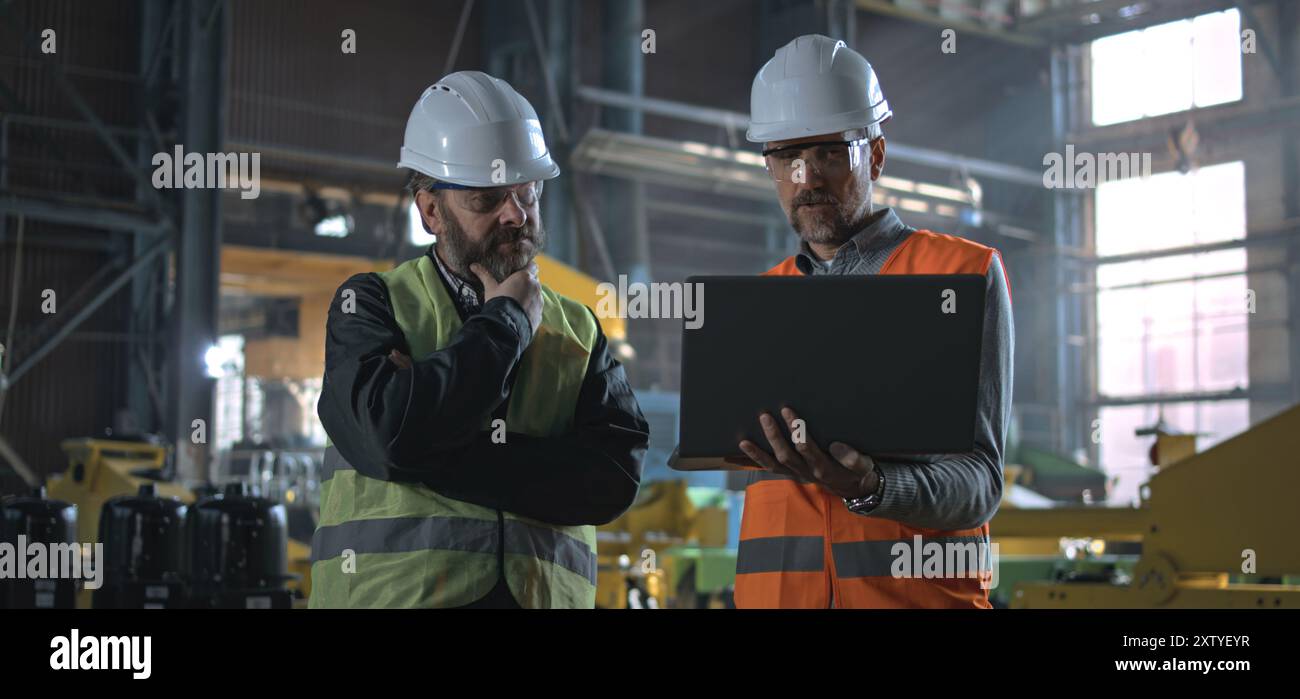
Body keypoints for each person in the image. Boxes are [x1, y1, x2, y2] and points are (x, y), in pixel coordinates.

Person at [309, 71, 648, 609]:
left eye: (528, 193)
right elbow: (385, 438)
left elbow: (611, 479)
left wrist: (429, 449)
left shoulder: (580, 327)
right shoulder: (371, 304)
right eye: (487, 198)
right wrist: (506, 323)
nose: (515, 214)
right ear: (430, 211)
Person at [733, 35, 1014, 608]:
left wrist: (873, 487)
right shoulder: (760, 302)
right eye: (787, 157)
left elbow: (980, 483)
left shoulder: (959, 275)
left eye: (830, 154)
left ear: (876, 155)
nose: (806, 177)